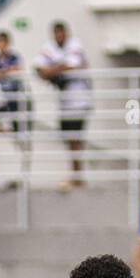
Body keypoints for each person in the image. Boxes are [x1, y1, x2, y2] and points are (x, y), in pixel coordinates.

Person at [34, 21, 92, 190]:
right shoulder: (50, 47)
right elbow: (38, 68)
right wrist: (55, 70)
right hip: (64, 102)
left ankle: (78, 176)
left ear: (66, 33)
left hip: (79, 100)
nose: (59, 36)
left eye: (61, 33)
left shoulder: (75, 45)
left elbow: (71, 66)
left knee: (76, 138)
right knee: (68, 138)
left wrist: (51, 71)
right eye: (56, 34)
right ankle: (75, 175)